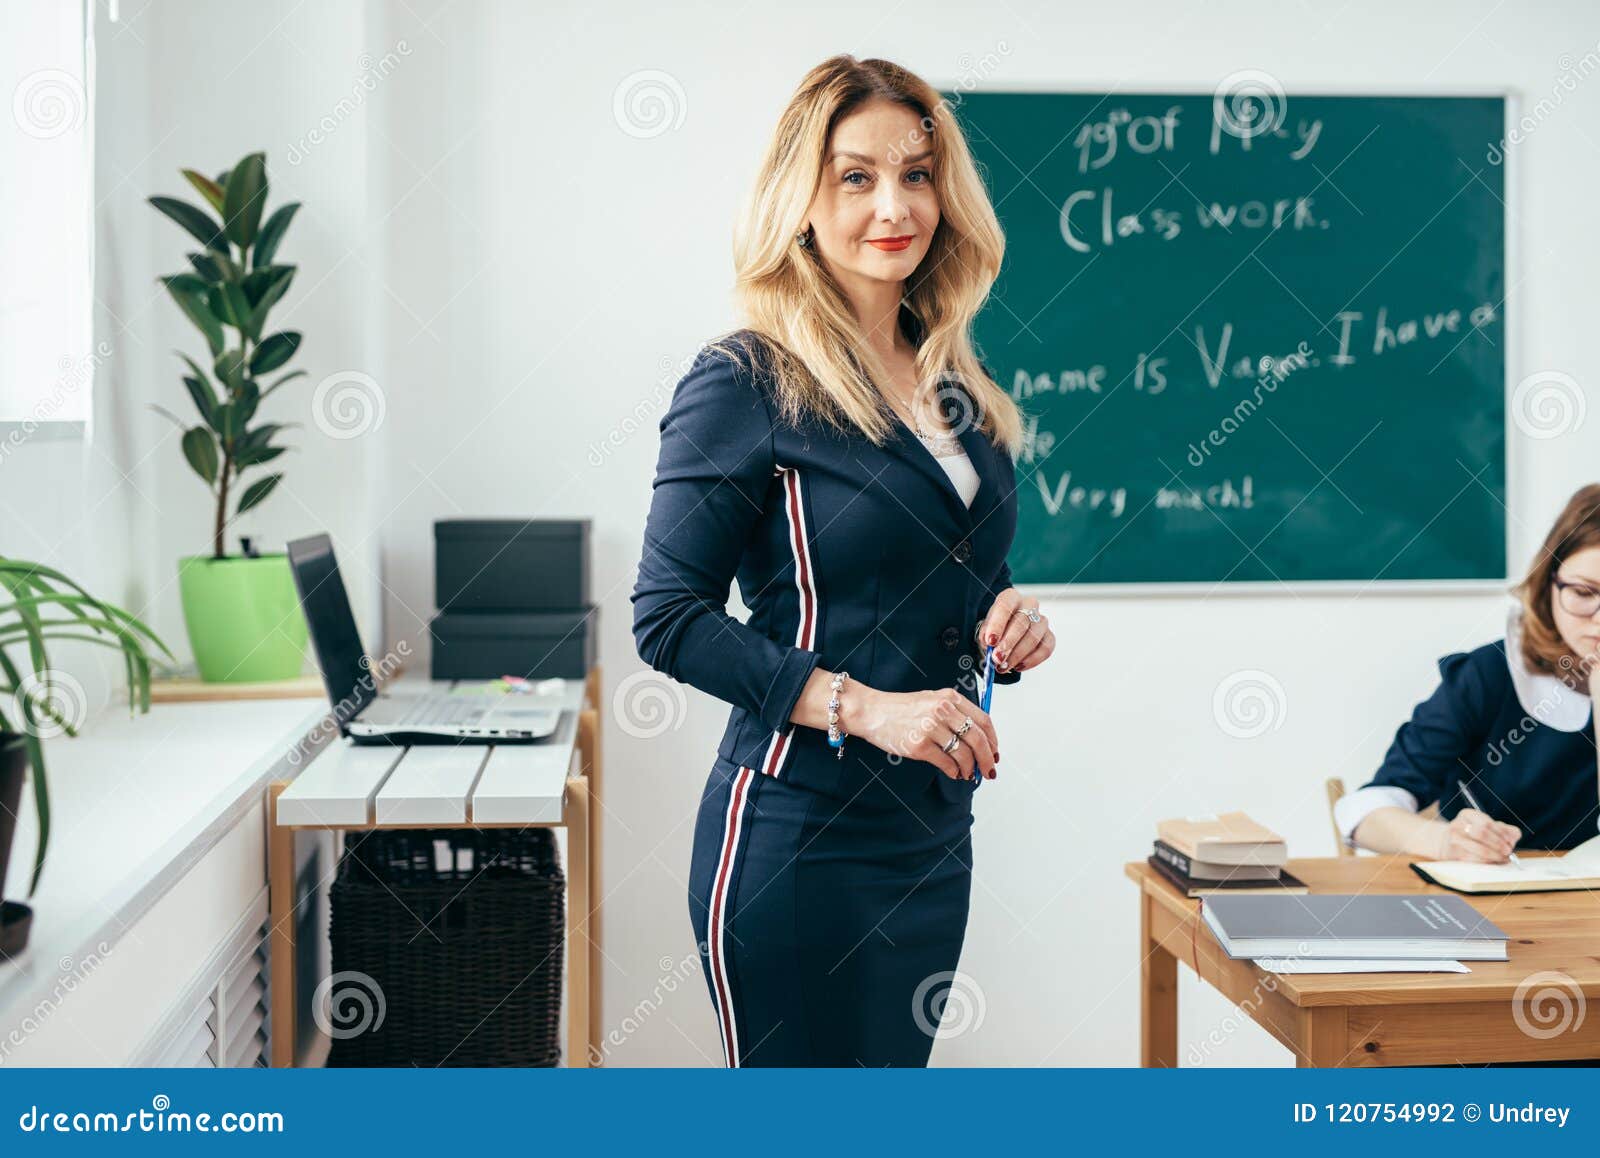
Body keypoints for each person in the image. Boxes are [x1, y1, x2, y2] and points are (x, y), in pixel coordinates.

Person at [630, 55, 1056, 1067]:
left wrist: (1007, 622)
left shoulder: (956, 374)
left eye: (916, 174)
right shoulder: (742, 380)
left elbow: (941, 569)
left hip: (929, 831)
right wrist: (866, 707)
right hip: (797, 836)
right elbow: (667, 616)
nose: (893, 204)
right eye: (854, 176)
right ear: (800, 197)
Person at [1336, 483, 1600, 861]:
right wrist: (1445, 841)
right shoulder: (1489, 675)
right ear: (1549, 584)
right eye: (1583, 593)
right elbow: (1367, 808)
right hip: (1498, 904)